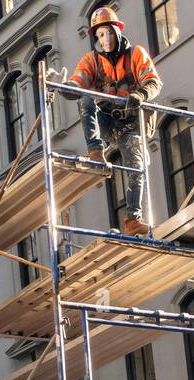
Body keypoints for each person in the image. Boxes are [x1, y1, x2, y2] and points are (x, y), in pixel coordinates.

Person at [64, 6, 162, 238]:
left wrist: (140, 95)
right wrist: (64, 87)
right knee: (85, 97)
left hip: (131, 123)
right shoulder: (92, 60)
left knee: (136, 166)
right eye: (99, 35)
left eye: (107, 32)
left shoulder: (135, 54)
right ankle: (96, 151)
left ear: (117, 31)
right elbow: (78, 82)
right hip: (108, 122)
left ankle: (133, 219)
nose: (104, 39)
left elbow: (153, 81)